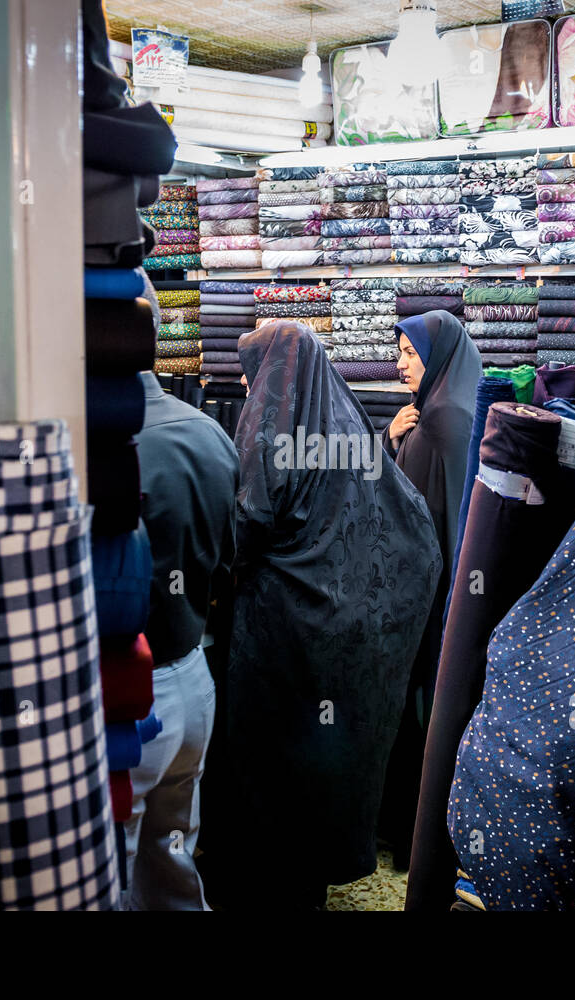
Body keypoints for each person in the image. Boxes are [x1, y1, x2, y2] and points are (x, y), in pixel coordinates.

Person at [219, 320, 441, 909]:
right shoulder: (344, 430)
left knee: (272, 783)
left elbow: (247, 523)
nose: (247, 392)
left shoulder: (271, 435)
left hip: (284, 645)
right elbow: (415, 527)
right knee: (315, 778)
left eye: (250, 380)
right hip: (339, 643)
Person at [124, 368, 239, 910]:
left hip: (128, 690)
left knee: (115, 867)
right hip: (192, 674)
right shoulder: (208, 433)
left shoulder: (95, 443)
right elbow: (225, 558)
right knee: (172, 856)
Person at [376, 310, 481, 870]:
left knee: (417, 721)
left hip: (426, 603)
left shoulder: (440, 423)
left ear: (437, 357)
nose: (399, 366)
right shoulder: (447, 414)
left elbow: (404, 521)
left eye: (410, 354)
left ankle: (414, 835)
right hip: (444, 598)